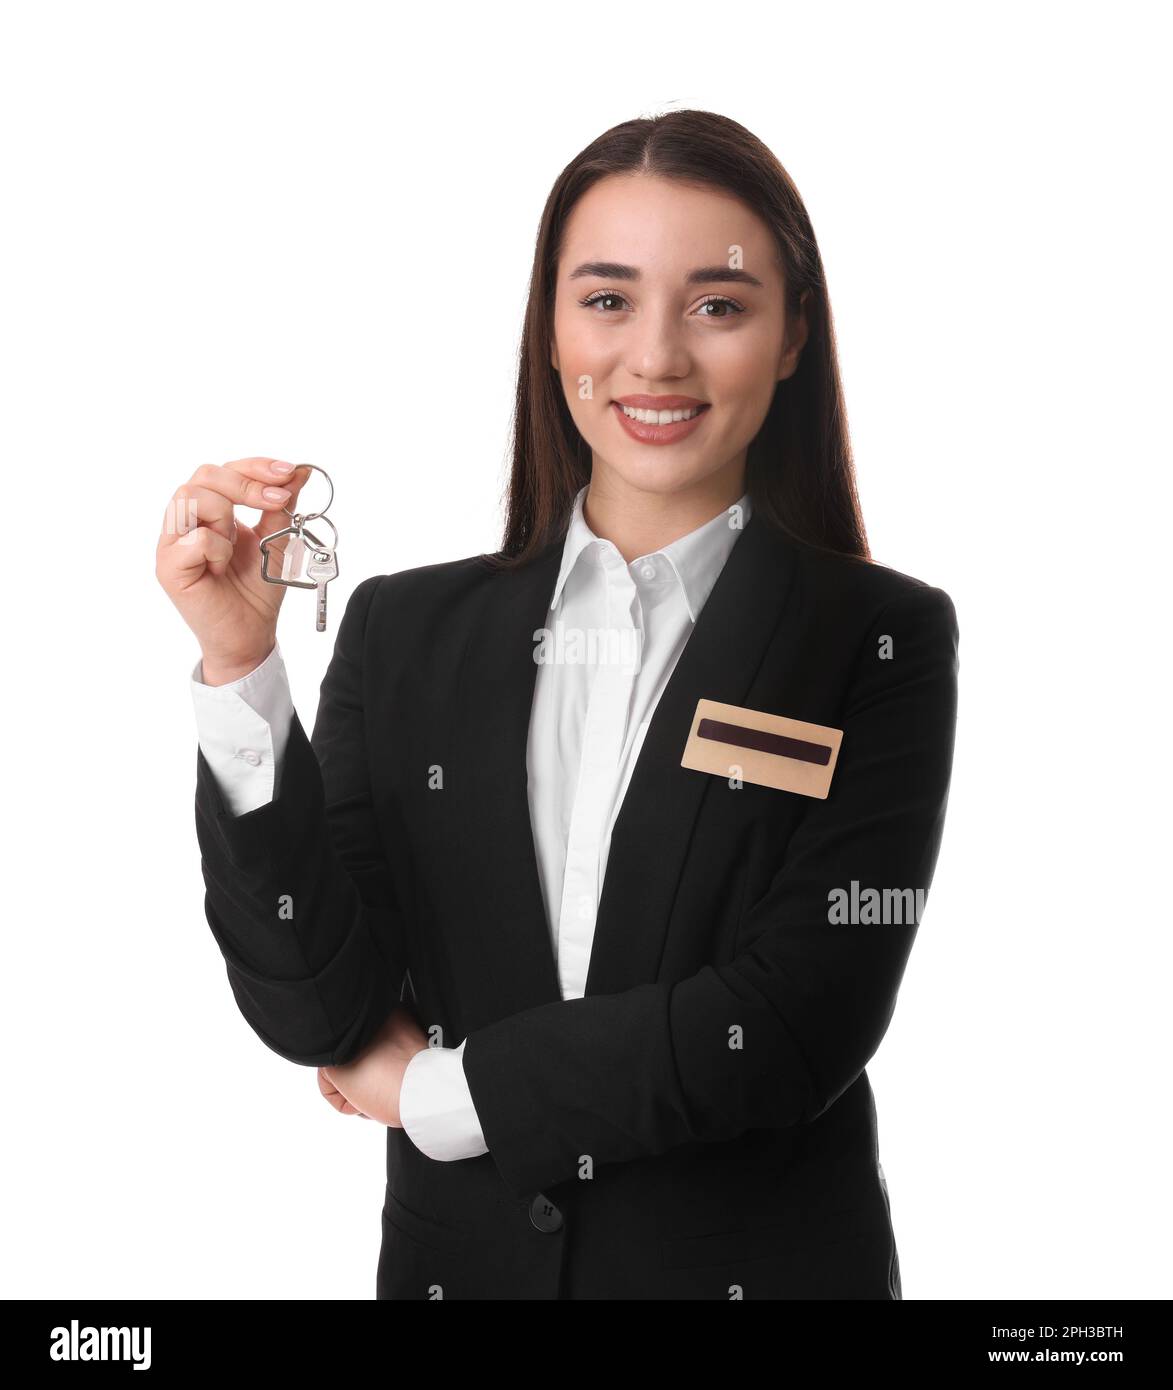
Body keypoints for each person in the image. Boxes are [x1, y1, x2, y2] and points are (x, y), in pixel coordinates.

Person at [156, 108, 959, 1300]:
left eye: (719, 305)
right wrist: (241, 672)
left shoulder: (876, 638)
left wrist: (438, 1091)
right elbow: (317, 993)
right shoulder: (406, 630)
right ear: (548, 328)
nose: (656, 359)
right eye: (607, 299)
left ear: (793, 335)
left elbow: (790, 1027)